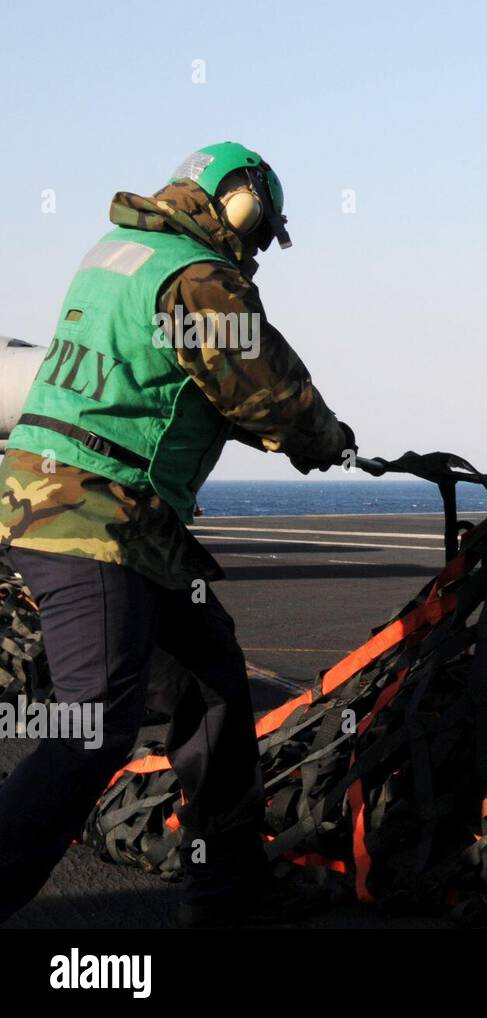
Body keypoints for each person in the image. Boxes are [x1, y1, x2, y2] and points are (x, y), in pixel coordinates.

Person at [0, 143, 357, 927]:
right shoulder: (198, 277)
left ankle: (228, 888)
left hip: (111, 518)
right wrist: (324, 438)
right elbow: (267, 393)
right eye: (260, 225)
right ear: (237, 200)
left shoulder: (119, 253)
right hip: (92, 518)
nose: (258, 245)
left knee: (213, 686)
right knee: (94, 725)